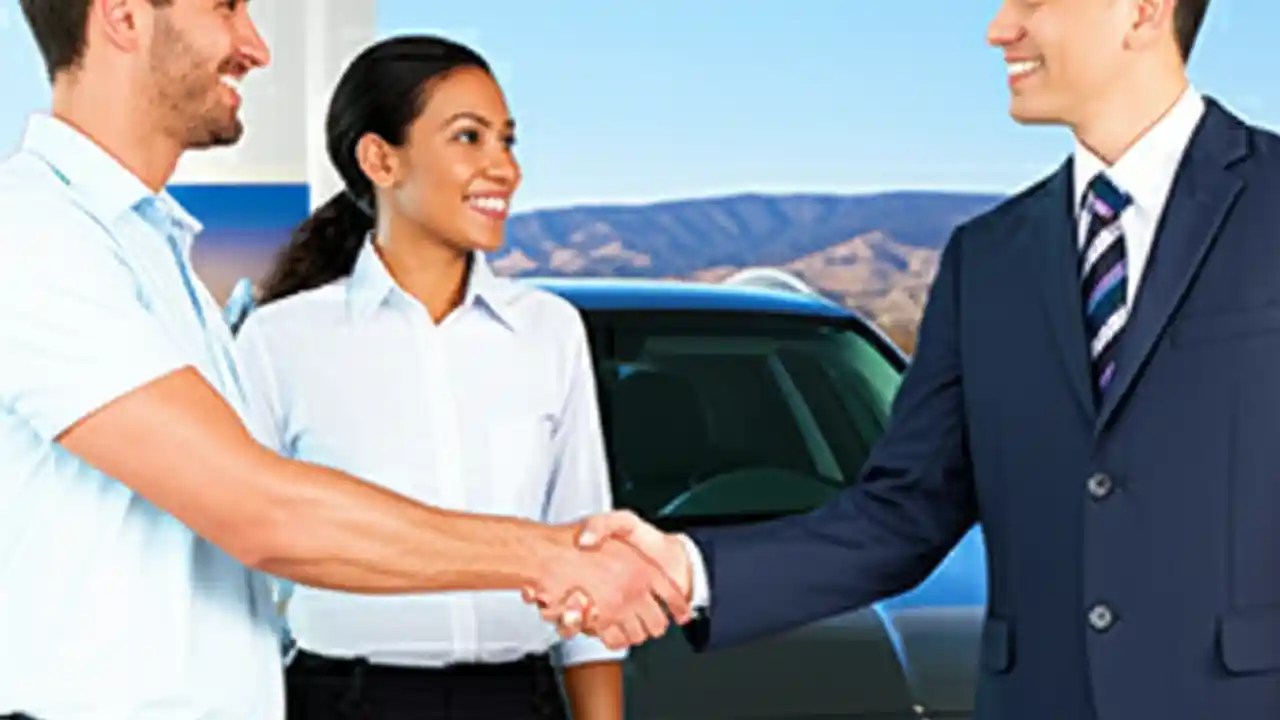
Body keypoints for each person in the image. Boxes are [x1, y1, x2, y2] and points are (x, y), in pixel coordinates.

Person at [548, 0, 1280, 718]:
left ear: (1144, 11)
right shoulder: (987, 259)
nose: (1000, 28)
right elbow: (901, 514)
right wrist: (687, 568)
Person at [0, 3, 686, 719]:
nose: (256, 46)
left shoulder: (152, 253)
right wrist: (554, 557)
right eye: (226, 6)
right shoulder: (32, 236)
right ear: (123, 15)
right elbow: (261, 511)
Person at [231, 34, 626, 720]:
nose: (504, 167)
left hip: (518, 701)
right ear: (380, 158)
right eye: (469, 138)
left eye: (508, 141)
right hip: (342, 702)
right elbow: (239, 568)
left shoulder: (549, 332)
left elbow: (584, 560)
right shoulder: (280, 341)